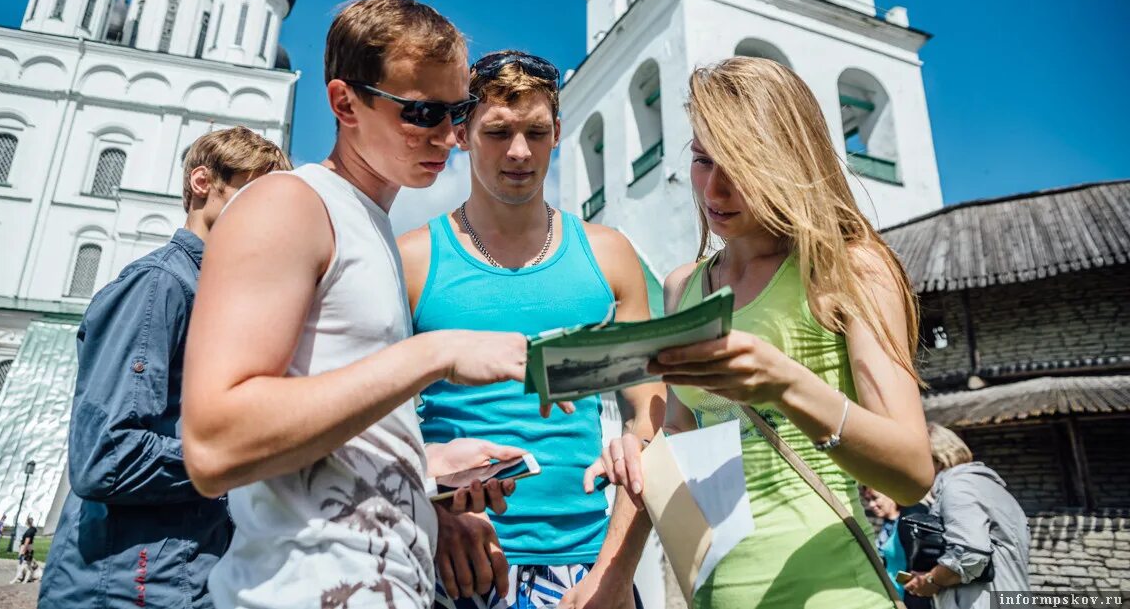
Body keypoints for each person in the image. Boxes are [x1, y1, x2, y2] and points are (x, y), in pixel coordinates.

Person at [183, 0, 534, 609]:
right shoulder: (288, 205)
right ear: (346, 103)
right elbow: (216, 443)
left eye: (458, 111)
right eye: (422, 112)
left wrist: (427, 465)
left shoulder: (367, 227)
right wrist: (436, 353)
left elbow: (320, 423)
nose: (450, 137)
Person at [586, 56, 935, 608]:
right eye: (702, 161)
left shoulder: (847, 267)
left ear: (788, 163)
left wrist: (786, 385)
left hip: (833, 592)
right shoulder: (685, 288)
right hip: (715, 593)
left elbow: (913, 474)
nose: (715, 190)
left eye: (740, 168)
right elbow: (678, 436)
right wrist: (636, 457)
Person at [399, 51, 665, 608]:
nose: (519, 152)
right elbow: (373, 421)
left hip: (592, 563)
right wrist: (430, 509)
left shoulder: (609, 256)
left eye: (536, 132)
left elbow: (651, 413)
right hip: (456, 564)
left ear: (557, 135)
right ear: (463, 134)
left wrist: (631, 451)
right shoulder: (413, 260)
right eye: (497, 132)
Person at [38, 127, 292, 609]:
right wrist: (248, 459)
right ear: (203, 182)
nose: (271, 216)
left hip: (185, 577)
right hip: (123, 585)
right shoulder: (159, 287)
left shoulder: (220, 296)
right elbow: (106, 457)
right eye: (254, 193)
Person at [903, 424, 1030, 607]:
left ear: (937, 459)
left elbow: (970, 555)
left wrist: (931, 580)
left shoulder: (959, 488)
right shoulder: (983, 486)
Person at [862, 486, 931, 608]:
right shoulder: (887, 526)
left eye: (875, 498)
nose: (871, 504)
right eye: (868, 500)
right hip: (890, 598)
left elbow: (922, 569)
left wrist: (898, 578)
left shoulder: (909, 523)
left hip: (909, 600)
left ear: (891, 495)